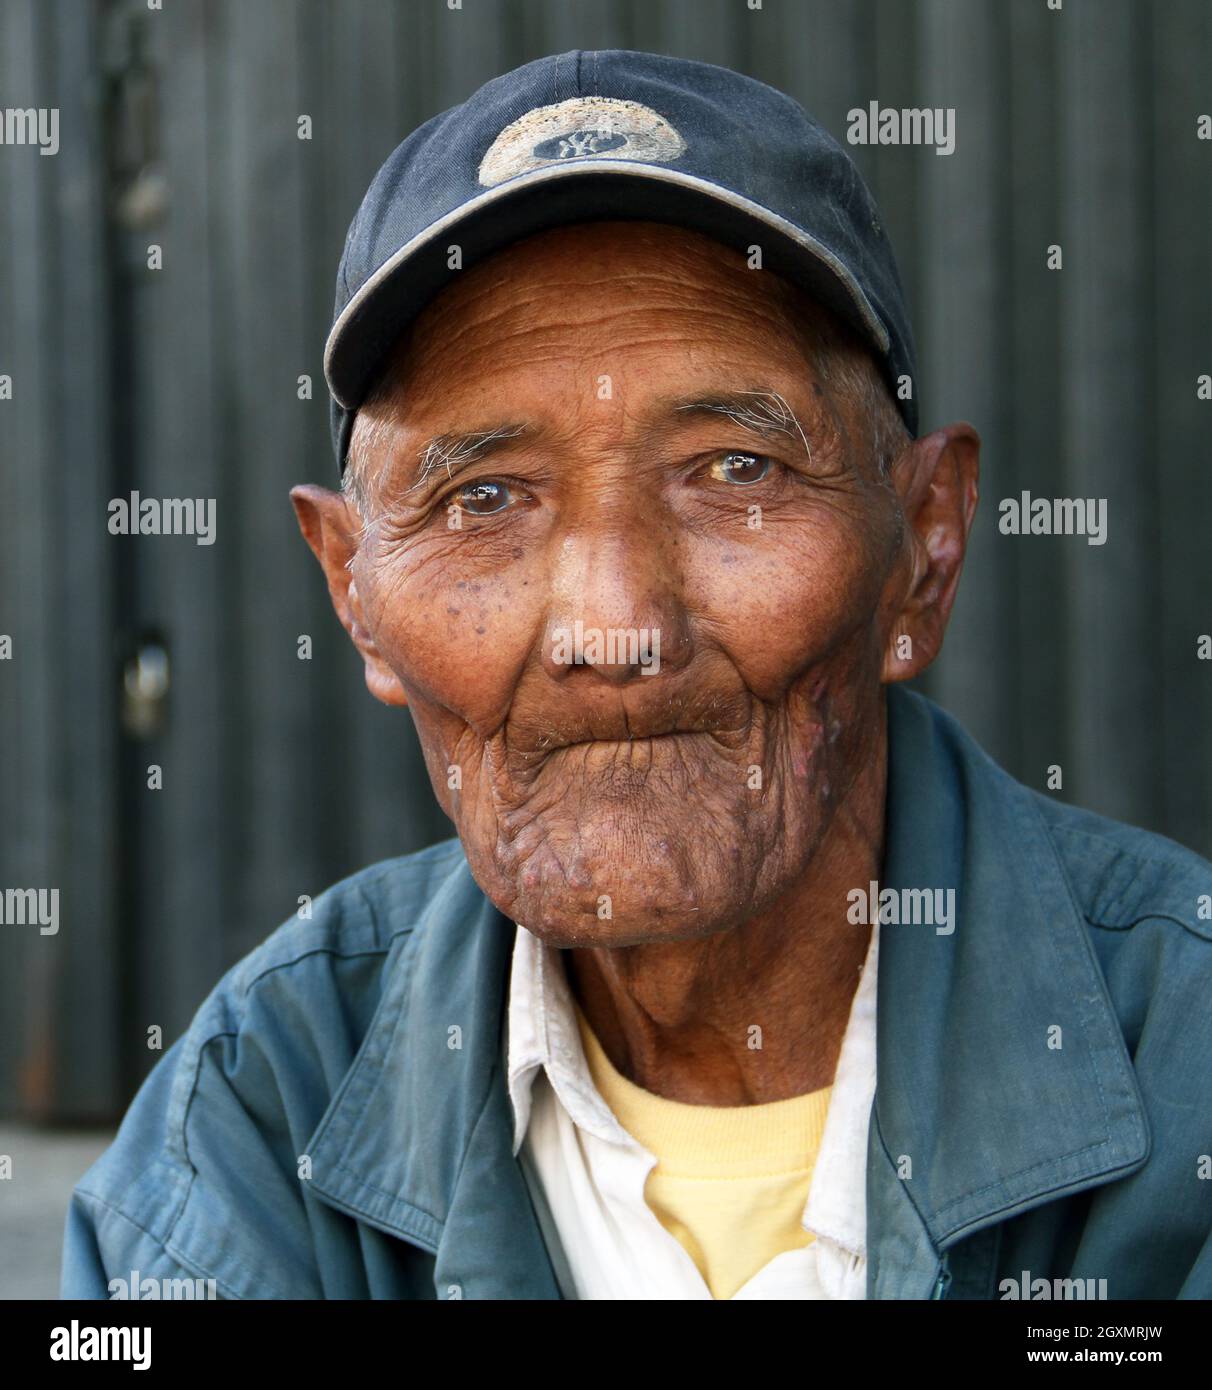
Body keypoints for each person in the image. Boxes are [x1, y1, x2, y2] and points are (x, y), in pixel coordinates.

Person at [62, 49, 1212, 1301]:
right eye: (483, 499)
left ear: (924, 548)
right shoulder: (255, 1110)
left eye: (734, 470)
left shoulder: (1185, 1057)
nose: (614, 627)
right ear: (356, 596)